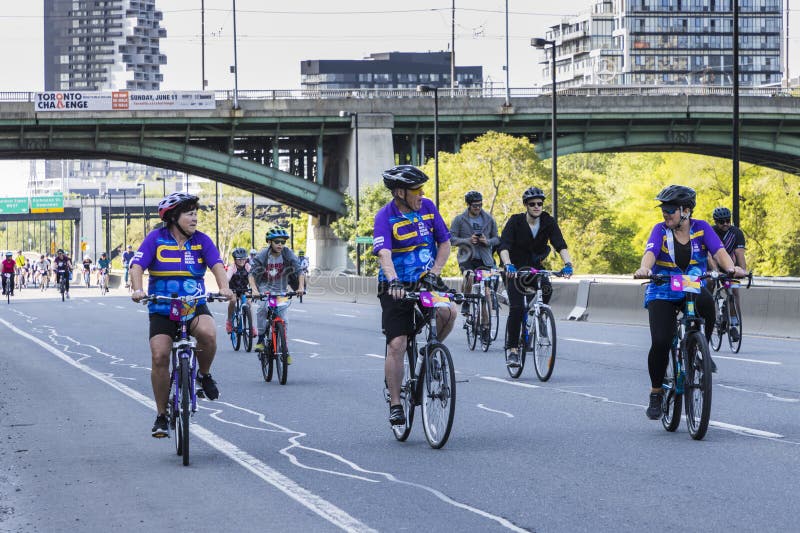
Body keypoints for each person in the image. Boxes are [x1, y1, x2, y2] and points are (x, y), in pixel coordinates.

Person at [633, 185, 745, 420]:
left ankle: (698, 348)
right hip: (662, 288)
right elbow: (650, 252)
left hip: (689, 286)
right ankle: (656, 393)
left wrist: (731, 268)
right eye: (663, 209)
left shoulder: (701, 228)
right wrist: (645, 268)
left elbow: (720, 251)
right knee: (661, 341)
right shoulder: (660, 230)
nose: (666, 214)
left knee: (707, 305)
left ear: (686, 211)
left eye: (670, 209)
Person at [129, 192, 233, 438]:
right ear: (173, 217)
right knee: (159, 355)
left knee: (208, 333)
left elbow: (217, 265)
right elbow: (137, 266)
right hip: (162, 307)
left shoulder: (201, 241)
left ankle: (203, 375)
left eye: (196, 213)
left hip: (193, 304)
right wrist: (137, 289)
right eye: (189, 213)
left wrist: (224, 287)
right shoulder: (156, 239)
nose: (195, 217)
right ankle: (161, 416)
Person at [373, 165, 456, 427]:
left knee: (449, 312)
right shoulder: (384, 216)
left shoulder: (428, 207)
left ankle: (429, 352)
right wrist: (394, 280)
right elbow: (385, 253)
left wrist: (435, 272)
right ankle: (396, 403)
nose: (421, 194)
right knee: (397, 343)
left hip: (426, 280)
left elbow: (444, 242)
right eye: (416, 190)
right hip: (396, 284)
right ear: (400, 192)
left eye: (422, 190)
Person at [498, 186, 574, 368]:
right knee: (516, 308)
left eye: (540, 203)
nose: (537, 207)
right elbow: (504, 246)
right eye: (532, 204)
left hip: (534, 268)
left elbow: (559, 243)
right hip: (514, 270)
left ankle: (537, 316)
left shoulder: (548, 221)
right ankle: (513, 350)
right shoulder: (515, 221)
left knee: (547, 289)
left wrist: (568, 264)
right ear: (526, 205)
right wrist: (508, 264)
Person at [449, 190, 500, 334]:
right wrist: (467, 240)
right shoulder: (459, 219)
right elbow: (451, 239)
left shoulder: (489, 219)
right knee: (469, 275)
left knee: (487, 292)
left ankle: (485, 326)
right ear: (468, 205)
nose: (478, 208)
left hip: (485, 259)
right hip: (467, 258)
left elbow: (497, 239)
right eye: (475, 206)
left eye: (480, 205)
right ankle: (466, 300)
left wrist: (487, 241)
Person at [249, 227, 305, 354]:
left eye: (283, 242)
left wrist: (301, 287)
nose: (280, 244)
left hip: (281, 288)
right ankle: (261, 339)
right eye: (277, 241)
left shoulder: (287, 253)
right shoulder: (263, 255)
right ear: (270, 242)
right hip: (265, 286)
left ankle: (284, 350)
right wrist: (254, 290)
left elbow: (299, 270)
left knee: (284, 318)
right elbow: (252, 274)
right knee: (262, 308)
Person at [708, 206, 747, 342]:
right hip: (711, 264)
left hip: (729, 266)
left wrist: (742, 271)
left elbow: (740, 255)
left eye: (727, 221)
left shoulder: (736, 233)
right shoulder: (710, 232)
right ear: (716, 222)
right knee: (710, 283)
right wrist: (715, 270)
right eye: (721, 221)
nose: (725, 224)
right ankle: (709, 313)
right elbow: (709, 255)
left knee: (734, 292)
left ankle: (733, 325)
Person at [225, 247, 257, 337]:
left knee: (249, 302)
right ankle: (229, 321)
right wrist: (224, 289)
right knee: (233, 300)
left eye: (244, 259)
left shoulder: (247, 266)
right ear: (235, 259)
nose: (242, 261)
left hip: (244, 289)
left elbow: (254, 277)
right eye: (239, 259)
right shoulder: (232, 268)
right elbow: (227, 278)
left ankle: (251, 326)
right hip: (233, 289)